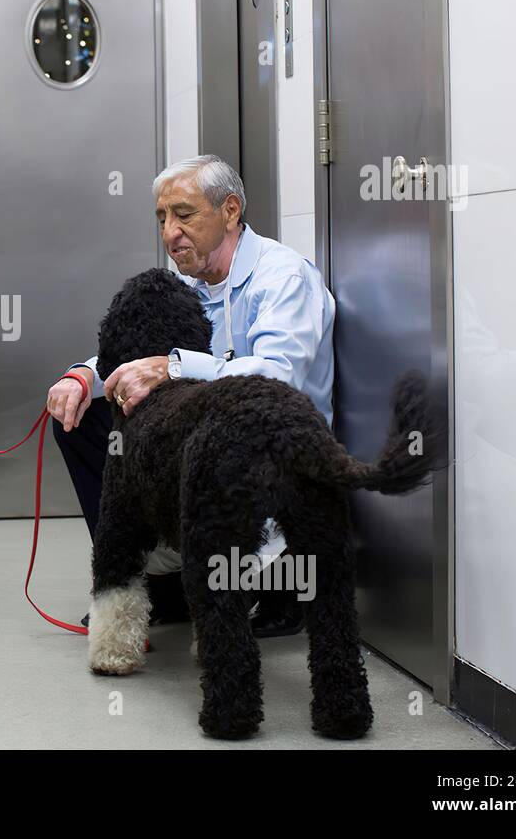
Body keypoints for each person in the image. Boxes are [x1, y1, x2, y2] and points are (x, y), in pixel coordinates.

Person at [49, 154, 336, 636]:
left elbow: (276, 378)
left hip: (272, 449)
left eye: (184, 215)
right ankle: (144, 570)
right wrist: (82, 376)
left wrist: (176, 366)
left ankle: (268, 583)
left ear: (229, 211)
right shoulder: (188, 279)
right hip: (202, 438)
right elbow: (134, 353)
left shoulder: (282, 277)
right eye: (161, 218)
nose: (169, 233)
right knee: (84, 417)